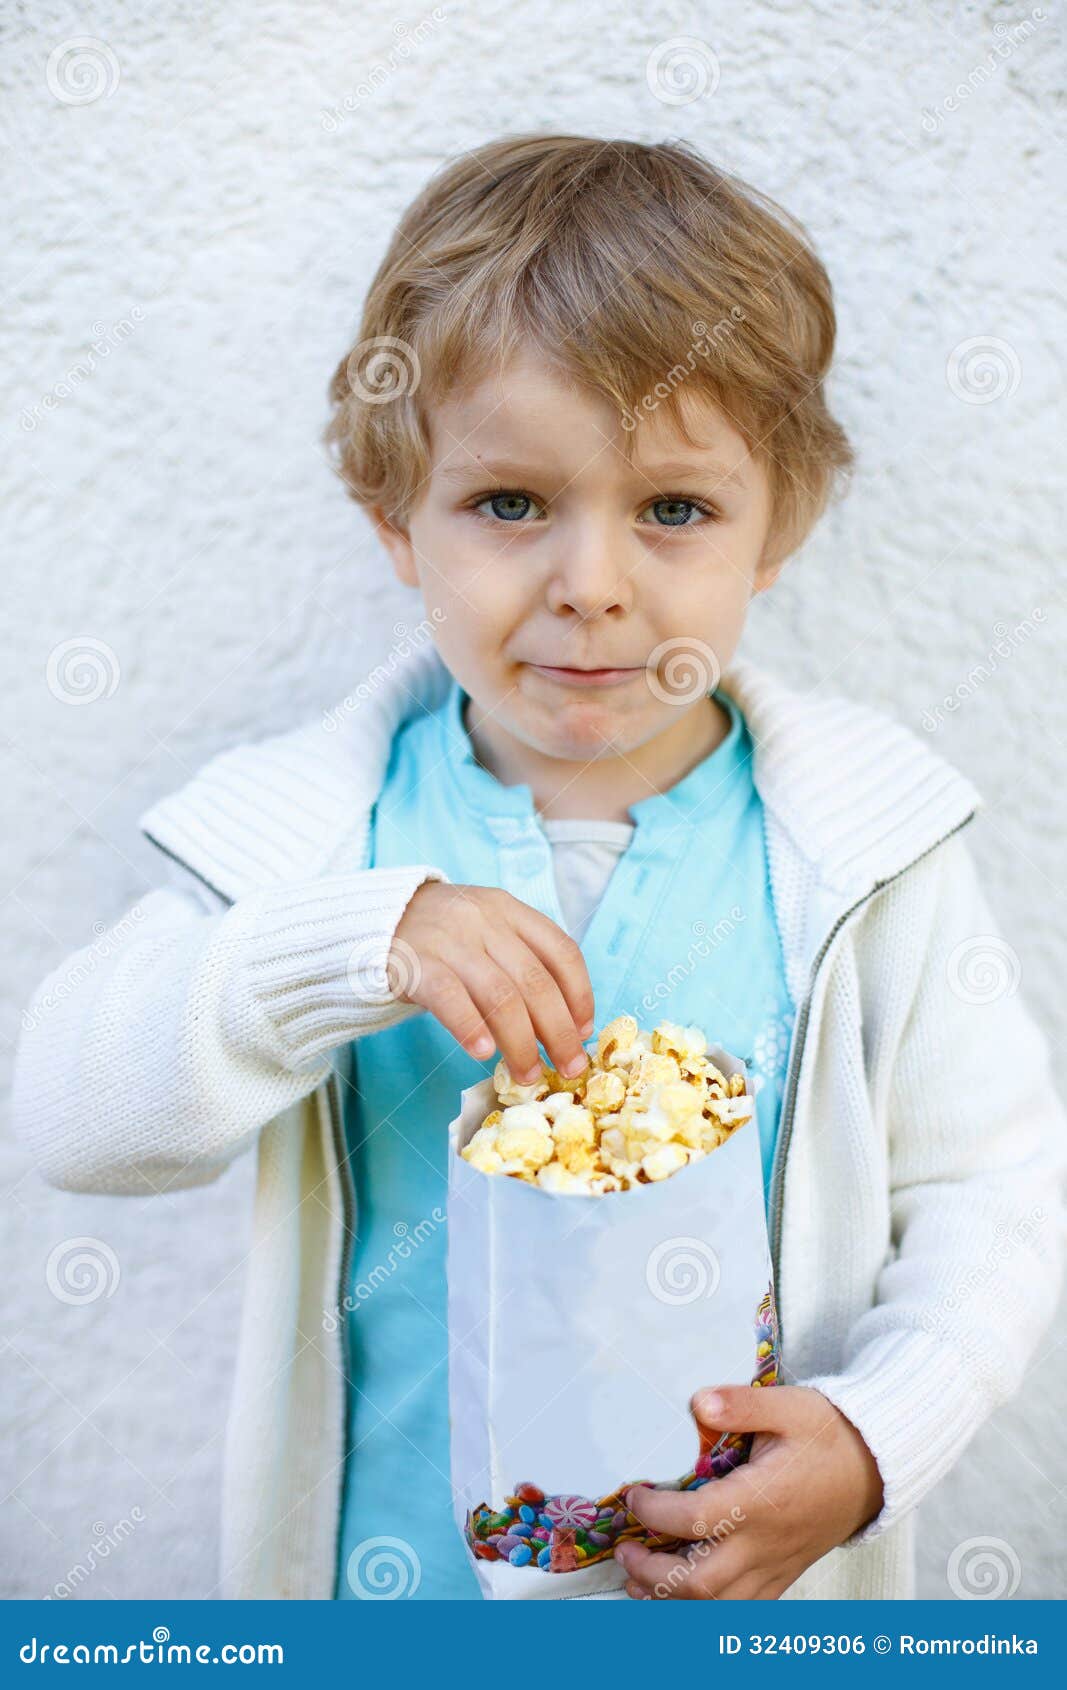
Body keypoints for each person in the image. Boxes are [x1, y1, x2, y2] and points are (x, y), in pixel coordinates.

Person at [14, 134, 1064, 1603]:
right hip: (387, 1605)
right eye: (510, 503)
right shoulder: (310, 834)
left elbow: (1001, 1188)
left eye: (675, 509)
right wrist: (340, 950)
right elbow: (69, 1112)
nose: (591, 582)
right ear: (397, 521)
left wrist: (877, 1436)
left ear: (780, 529)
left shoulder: (867, 847)